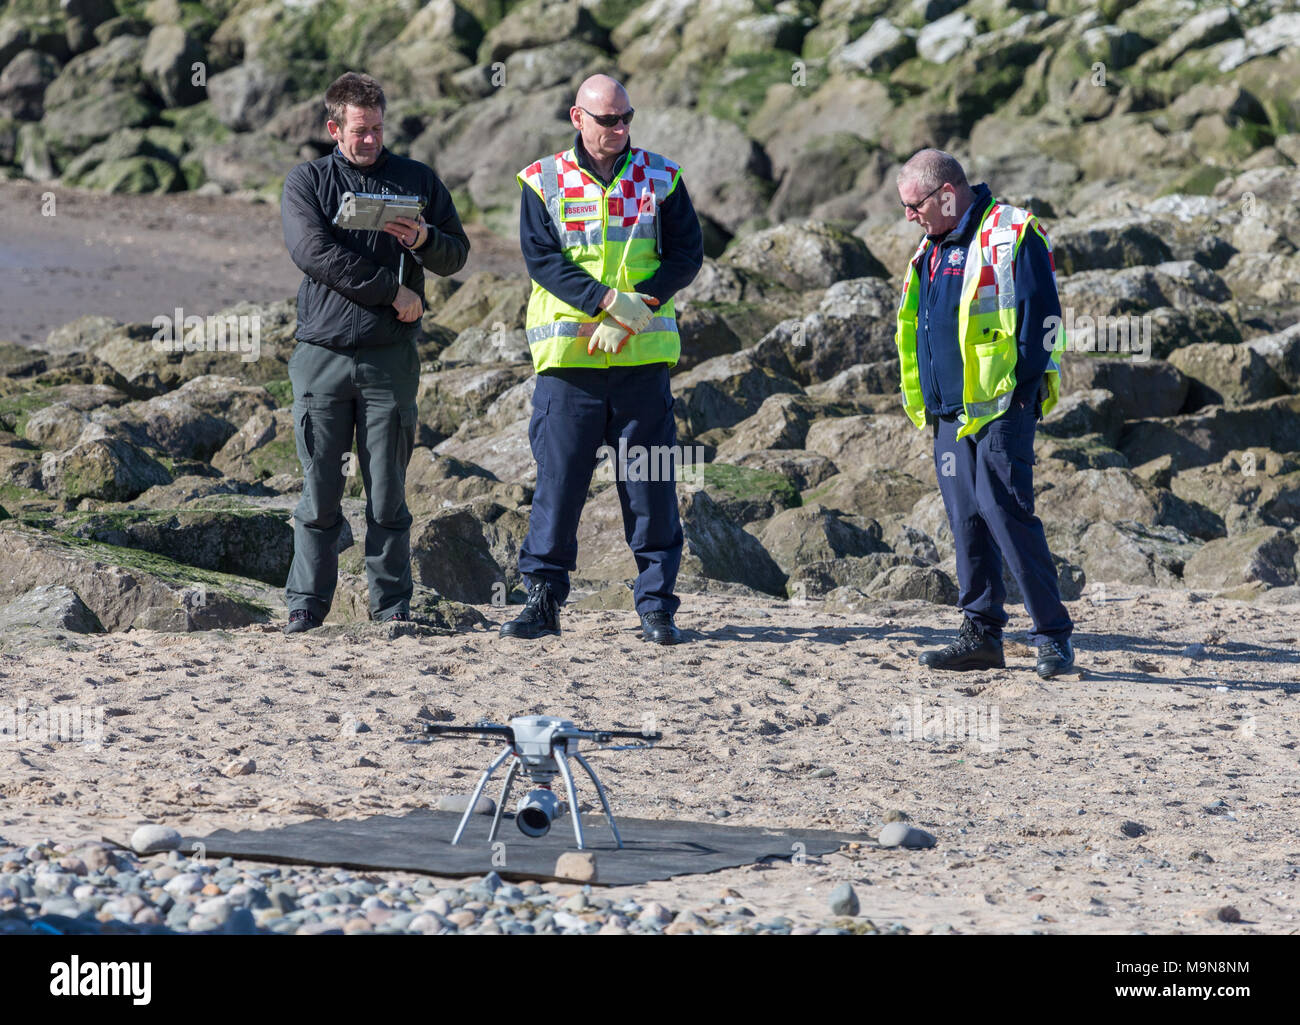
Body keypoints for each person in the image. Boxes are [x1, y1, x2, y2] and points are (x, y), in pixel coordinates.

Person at [501, 74, 704, 645]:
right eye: (606, 120)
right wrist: (606, 302)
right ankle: (542, 602)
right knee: (559, 485)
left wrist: (639, 307)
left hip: (641, 363)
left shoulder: (662, 176)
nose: (619, 129)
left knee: (651, 487)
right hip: (568, 364)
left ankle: (657, 605)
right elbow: (542, 259)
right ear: (576, 118)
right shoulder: (542, 180)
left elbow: (687, 255)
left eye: (625, 118)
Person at [280, 71, 469, 634]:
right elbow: (314, 254)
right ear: (334, 128)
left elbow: (457, 255)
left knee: (387, 492)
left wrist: (421, 239)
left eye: (378, 129)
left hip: (390, 360)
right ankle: (305, 609)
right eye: (360, 130)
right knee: (319, 493)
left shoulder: (416, 179)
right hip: (322, 355)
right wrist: (394, 291)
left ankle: (391, 608)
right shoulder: (307, 182)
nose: (371, 140)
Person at [893, 149, 1074, 678]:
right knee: (966, 521)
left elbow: (1044, 319)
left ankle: (1053, 637)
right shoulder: (931, 246)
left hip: (1001, 408)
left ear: (947, 193)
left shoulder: (1014, 231)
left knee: (1006, 513)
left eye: (914, 205)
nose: (909, 217)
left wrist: (1022, 393)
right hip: (950, 412)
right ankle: (980, 635)